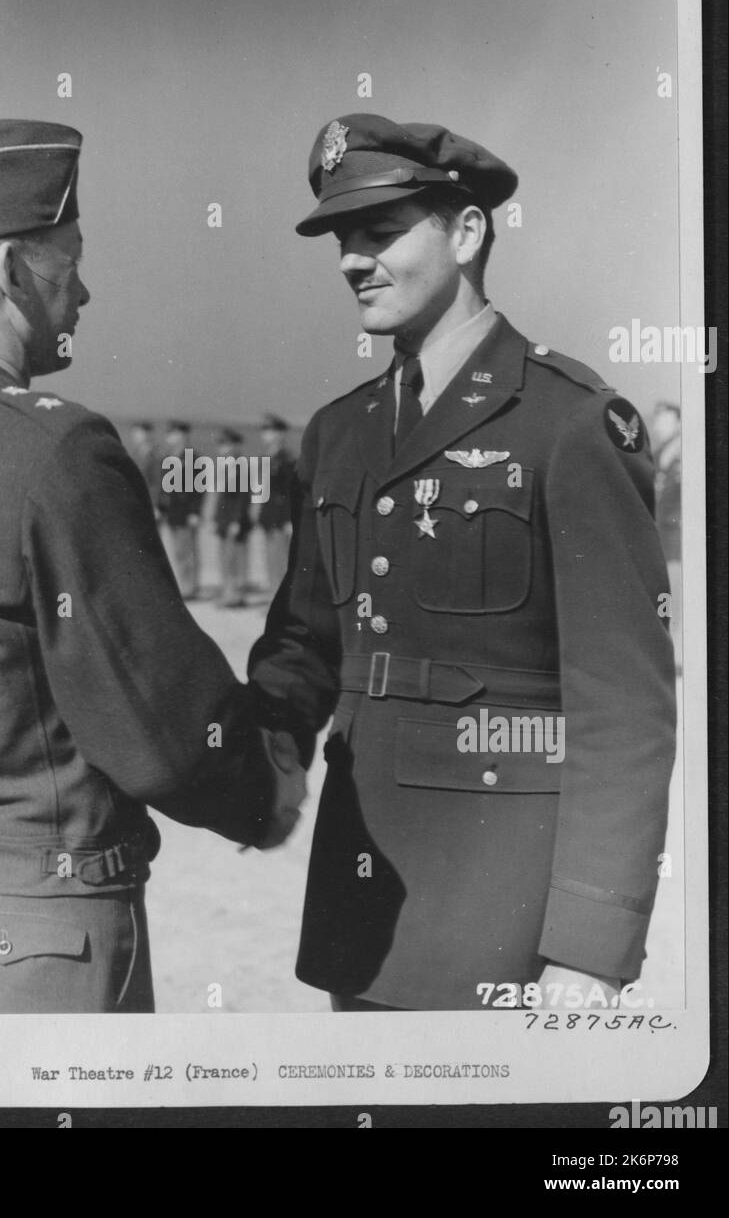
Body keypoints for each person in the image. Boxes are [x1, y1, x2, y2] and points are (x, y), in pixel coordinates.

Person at [0, 118, 304, 1016]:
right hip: (37, 948)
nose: (85, 293)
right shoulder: (56, 446)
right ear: (9, 272)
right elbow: (155, 723)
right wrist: (266, 789)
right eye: (69, 263)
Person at [247, 114, 676, 1011]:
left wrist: (589, 947)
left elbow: (624, 705)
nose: (350, 261)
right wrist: (250, 758)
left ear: (468, 231)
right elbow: (304, 645)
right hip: (363, 903)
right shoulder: (339, 431)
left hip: (503, 902)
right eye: (339, 240)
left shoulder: (567, 423)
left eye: (378, 232)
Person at [651, 401, 682, 669]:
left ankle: (681, 654)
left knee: (678, 594)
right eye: (656, 419)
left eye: (664, 419)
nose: (658, 424)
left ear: (679, 421)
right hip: (664, 537)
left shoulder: (686, 451)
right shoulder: (661, 452)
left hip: (678, 540)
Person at [157, 420, 201, 599]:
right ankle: (184, 585)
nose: (170, 437)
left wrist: (195, 512)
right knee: (177, 551)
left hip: (186, 511)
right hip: (172, 512)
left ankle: (190, 587)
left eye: (174, 433)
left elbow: (199, 488)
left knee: (188, 550)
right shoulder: (169, 456)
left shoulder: (192, 457)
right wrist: (161, 507)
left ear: (184, 435)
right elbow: (164, 487)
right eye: (169, 434)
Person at [213, 427, 253, 607]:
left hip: (235, 521)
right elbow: (220, 497)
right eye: (222, 444)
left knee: (234, 558)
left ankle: (236, 595)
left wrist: (236, 520)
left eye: (227, 444)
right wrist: (216, 518)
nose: (224, 448)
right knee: (225, 558)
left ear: (237, 446)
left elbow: (243, 497)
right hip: (224, 520)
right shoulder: (225, 466)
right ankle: (229, 592)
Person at [256, 413, 295, 593]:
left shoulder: (287, 459)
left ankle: (281, 601)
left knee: (281, 560)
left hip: (281, 517)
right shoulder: (266, 457)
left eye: (270, 430)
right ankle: (273, 597)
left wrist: (289, 519)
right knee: (271, 559)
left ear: (280, 434)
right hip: (268, 516)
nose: (266, 434)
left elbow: (291, 491)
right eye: (264, 430)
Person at [128, 420, 163, 519]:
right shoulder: (135, 455)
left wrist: (155, 505)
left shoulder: (155, 456)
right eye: (133, 433)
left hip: (150, 504)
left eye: (137, 432)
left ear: (148, 434)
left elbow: (157, 482)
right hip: (137, 502)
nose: (134, 436)